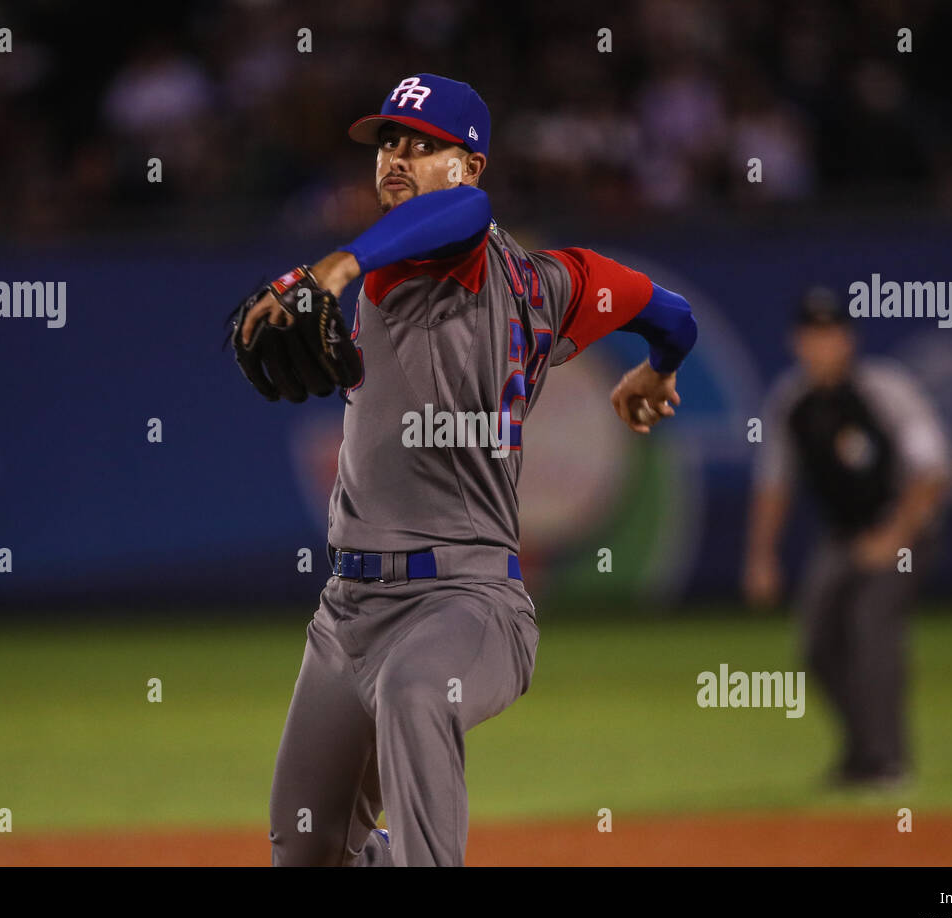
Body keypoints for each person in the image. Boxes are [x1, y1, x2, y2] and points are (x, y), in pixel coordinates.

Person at [238, 74, 698, 865]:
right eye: (388, 142)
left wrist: (339, 267)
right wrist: (661, 365)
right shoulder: (562, 281)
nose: (397, 158)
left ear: (473, 166)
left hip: (463, 603)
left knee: (418, 695)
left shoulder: (447, 247)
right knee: (307, 850)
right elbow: (672, 313)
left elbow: (463, 216)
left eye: (424, 147)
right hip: (346, 611)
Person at [742, 287, 952, 787]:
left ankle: (888, 761)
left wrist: (894, 536)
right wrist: (761, 558)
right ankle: (863, 753)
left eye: (830, 334)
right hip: (842, 538)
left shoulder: (885, 390)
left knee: (870, 627)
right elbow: (774, 486)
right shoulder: (792, 403)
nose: (820, 345)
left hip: (903, 531)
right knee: (817, 645)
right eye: (811, 335)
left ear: (848, 340)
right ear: (797, 342)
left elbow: (933, 473)